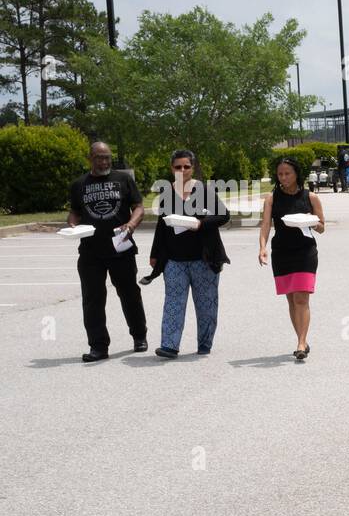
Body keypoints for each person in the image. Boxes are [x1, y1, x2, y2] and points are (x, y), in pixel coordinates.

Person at [67, 141, 148, 362]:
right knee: (92, 299)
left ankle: (139, 335)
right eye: (99, 157)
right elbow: (74, 211)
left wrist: (131, 225)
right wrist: (73, 225)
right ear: (89, 158)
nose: (104, 161)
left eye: (107, 157)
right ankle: (98, 346)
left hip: (120, 247)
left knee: (129, 293)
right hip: (90, 252)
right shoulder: (79, 185)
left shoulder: (123, 179)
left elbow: (139, 207)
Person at [148, 149, 231, 358]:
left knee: (206, 304)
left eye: (186, 166)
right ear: (172, 168)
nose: (182, 170)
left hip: (203, 258)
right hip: (174, 259)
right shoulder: (166, 194)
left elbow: (223, 216)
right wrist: (155, 253)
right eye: (178, 167)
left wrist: (200, 224)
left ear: (192, 168)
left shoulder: (203, 191)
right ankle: (169, 345)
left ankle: (204, 344)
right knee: (173, 302)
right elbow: (161, 226)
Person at [258, 157, 324, 360]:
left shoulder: (310, 197)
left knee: (301, 298)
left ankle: (301, 343)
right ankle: (301, 338)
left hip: (305, 252)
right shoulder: (272, 198)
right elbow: (266, 225)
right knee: (291, 299)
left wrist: (310, 222)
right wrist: (262, 248)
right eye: (280, 174)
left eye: (288, 173)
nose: (284, 177)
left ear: (296, 174)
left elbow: (322, 227)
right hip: (282, 252)